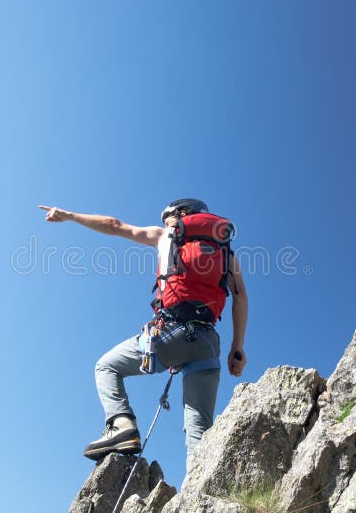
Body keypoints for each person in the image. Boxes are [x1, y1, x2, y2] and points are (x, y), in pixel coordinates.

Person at [38, 199, 248, 467]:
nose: (164, 223)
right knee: (199, 433)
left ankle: (121, 425)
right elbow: (240, 296)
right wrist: (237, 347)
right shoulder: (227, 254)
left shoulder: (164, 236)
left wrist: (69, 215)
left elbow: (115, 226)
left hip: (171, 333)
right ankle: (201, 490)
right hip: (208, 344)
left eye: (167, 217)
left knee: (106, 367)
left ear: (180, 214)